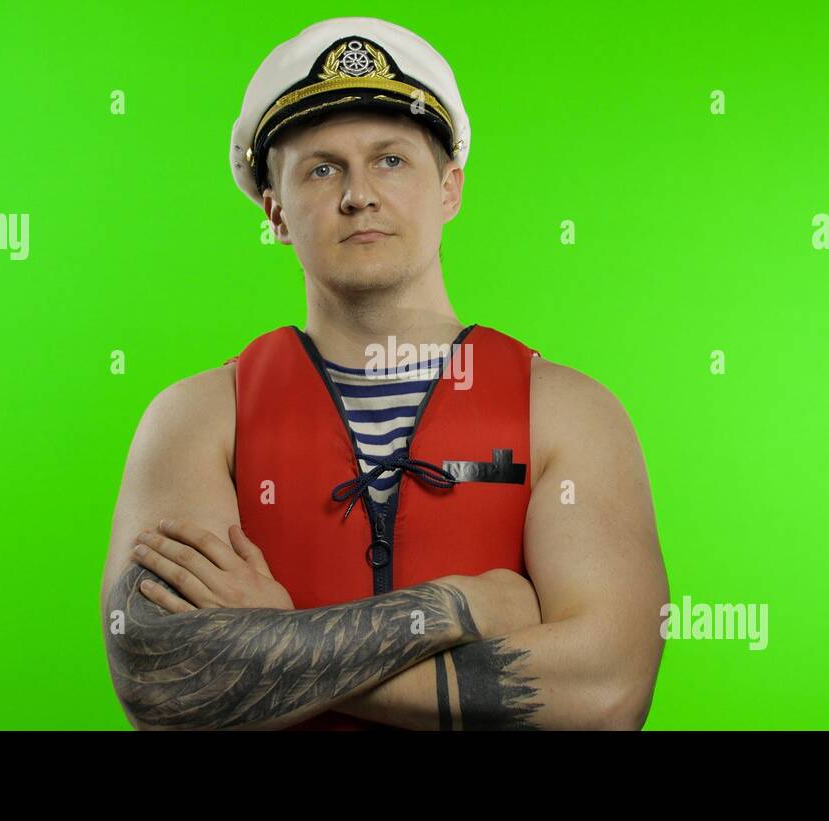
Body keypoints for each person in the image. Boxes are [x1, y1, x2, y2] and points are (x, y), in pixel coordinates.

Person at [99, 16, 668, 730]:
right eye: (322, 167)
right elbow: (162, 676)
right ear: (274, 211)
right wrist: (467, 605)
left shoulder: (566, 411)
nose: (358, 194)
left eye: (391, 160)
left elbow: (607, 691)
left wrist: (280, 637)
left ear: (450, 188)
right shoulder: (197, 417)